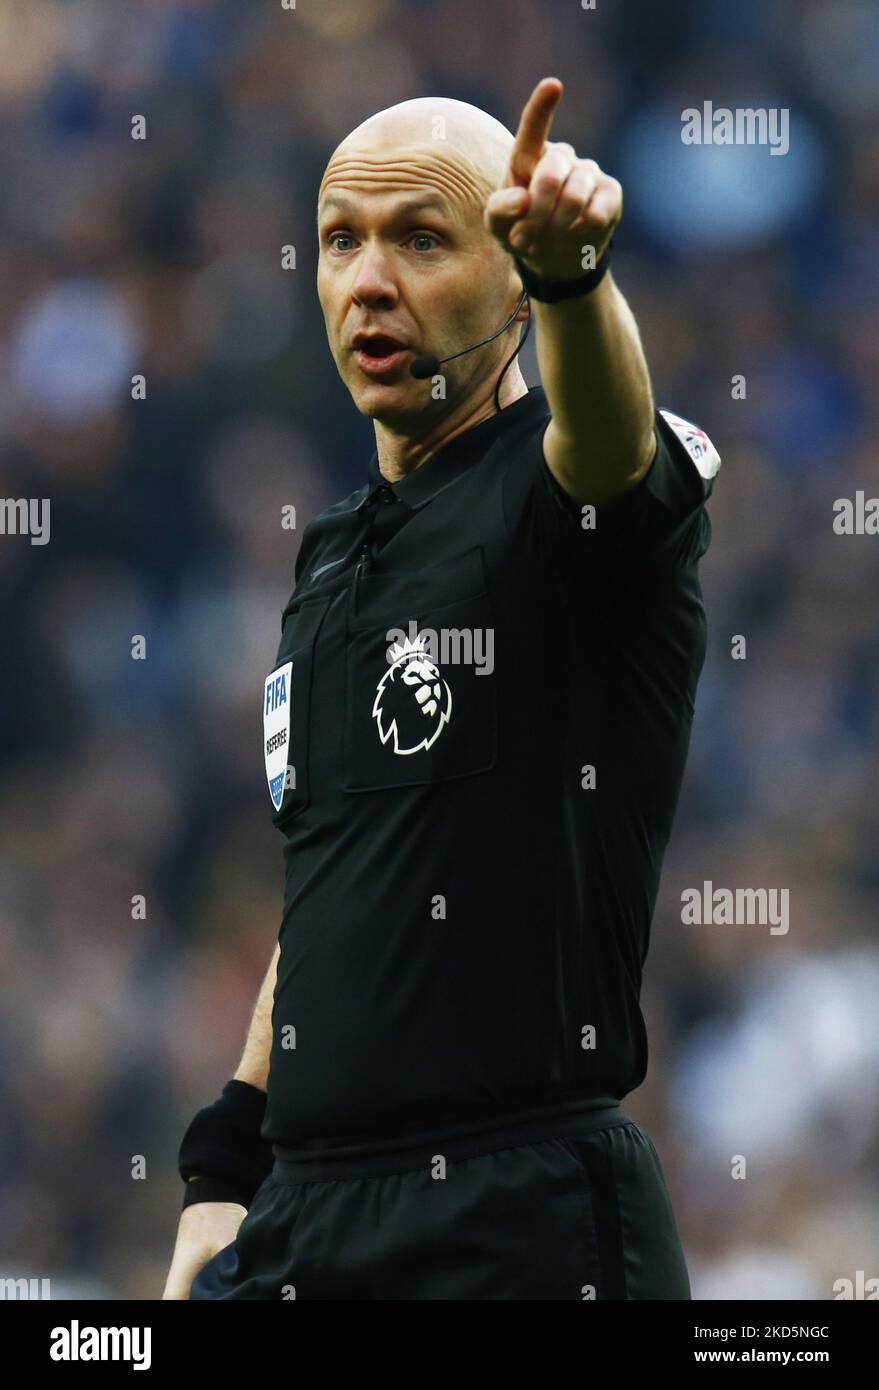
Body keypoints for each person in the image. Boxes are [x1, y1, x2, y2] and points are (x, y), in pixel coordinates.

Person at [163, 76, 720, 1301]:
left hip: (516, 1213)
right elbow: (335, 879)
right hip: (305, 1218)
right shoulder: (330, 552)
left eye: (422, 239)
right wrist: (222, 1168)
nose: (369, 280)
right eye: (341, 241)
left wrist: (578, 279)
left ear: (513, 278)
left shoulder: (566, 503)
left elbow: (610, 441)